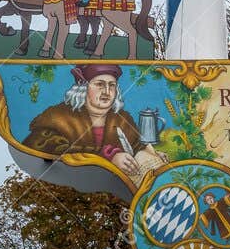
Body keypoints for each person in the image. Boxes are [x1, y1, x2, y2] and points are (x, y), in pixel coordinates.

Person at [22, 64, 155, 180]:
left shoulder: (122, 119)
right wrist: (107, 156)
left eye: (112, 85)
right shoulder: (57, 116)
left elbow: (135, 145)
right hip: (72, 193)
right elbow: (42, 146)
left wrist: (150, 155)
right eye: (99, 84)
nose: (107, 92)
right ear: (83, 88)